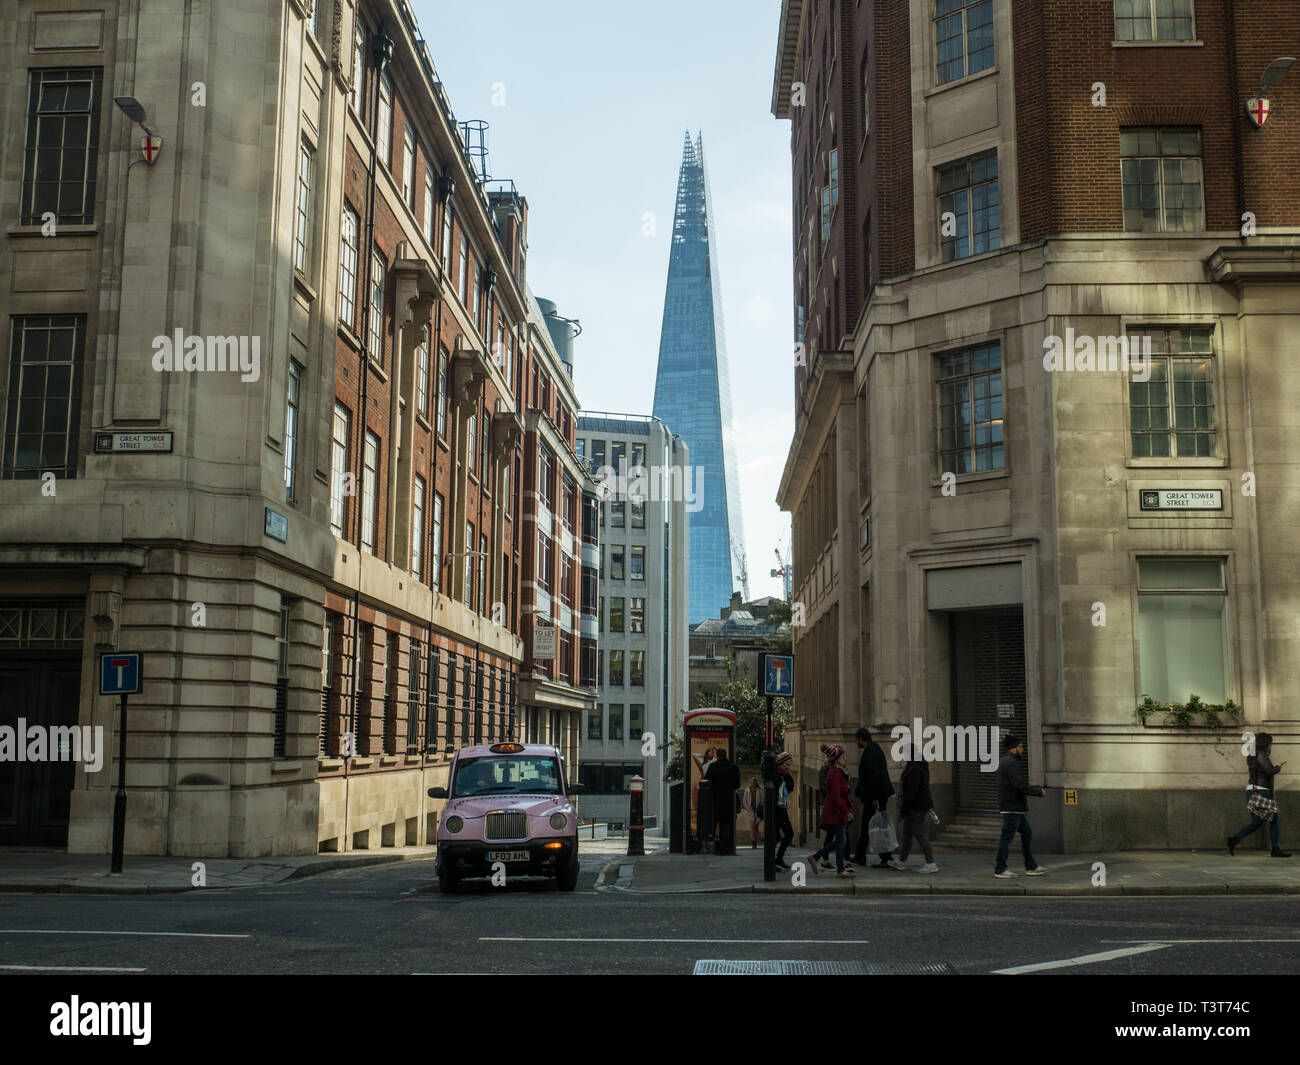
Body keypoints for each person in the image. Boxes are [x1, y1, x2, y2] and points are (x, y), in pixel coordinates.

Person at [994, 733, 1047, 878]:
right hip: (1012, 808)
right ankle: (1000, 869)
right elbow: (1019, 785)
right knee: (1007, 838)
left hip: (1014, 807)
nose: (1022, 750)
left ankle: (1031, 866)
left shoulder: (1007, 762)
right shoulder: (1010, 763)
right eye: (1020, 747)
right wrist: (1038, 792)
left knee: (1027, 833)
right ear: (1013, 748)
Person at [1228, 732, 1290, 857]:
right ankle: (1275, 849)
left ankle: (1234, 840)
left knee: (1258, 822)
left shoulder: (1252, 755)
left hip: (1253, 790)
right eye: (1270, 743)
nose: (1270, 746)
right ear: (1265, 743)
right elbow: (1268, 771)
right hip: (1262, 791)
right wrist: (1278, 767)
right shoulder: (1261, 754)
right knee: (1274, 819)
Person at [806, 746, 855, 878]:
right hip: (836, 813)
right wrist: (846, 812)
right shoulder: (834, 774)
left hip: (837, 812)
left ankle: (817, 858)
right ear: (837, 759)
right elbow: (835, 796)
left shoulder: (838, 772)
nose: (845, 759)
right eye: (843, 757)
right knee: (841, 841)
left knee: (840, 841)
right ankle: (838, 869)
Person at [888, 745, 938, 873]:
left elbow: (911, 791)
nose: (903, 756)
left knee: (919, 833)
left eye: (905, 753)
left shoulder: (915, 768)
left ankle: (931, 862)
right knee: (907, 834)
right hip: (915, 805)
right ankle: (901, 861)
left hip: (916, 806)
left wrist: (905, 808)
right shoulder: (916, 765)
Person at [852, 727, 896, 868]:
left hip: (875, 797)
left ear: (861, 739)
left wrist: (874, 798)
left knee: (870, 825)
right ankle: (874, 856)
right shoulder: (874, 748)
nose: (856, 742)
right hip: (876, 796)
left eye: (856, 739)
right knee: (876, 825)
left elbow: (873, 777)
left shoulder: (870, 751)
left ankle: (879, 857)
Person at [704, 747, 741, 855]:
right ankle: (728, 848)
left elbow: (707, 781)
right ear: (726, 755)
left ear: (717, 756)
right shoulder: (734, 767)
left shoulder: (713, 766)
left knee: (714, 823)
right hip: (729, 800)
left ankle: (716, 848)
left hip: (715, 800)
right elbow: (737, 785)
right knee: (728, 824)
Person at [773, 753, 796, 870]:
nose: (789, 767)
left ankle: (776, 860)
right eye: (787, 764)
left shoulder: (784, 775)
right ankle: (775, 860)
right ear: (780, 763)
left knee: (778, 836)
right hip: (777, 809)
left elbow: (790, 787)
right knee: (787, 834)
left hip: (780, 808)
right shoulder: (776, 776)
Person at [742, 778, 762, 848]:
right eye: (751, 782)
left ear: (756, 783)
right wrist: (748, 808)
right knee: (752, 825)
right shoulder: (747, 790)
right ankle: (752, 840)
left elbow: (761, 800)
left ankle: (755, 841)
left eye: (754, 782)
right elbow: (744, 801)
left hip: (757, 810)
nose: (752, 783)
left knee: (756, 826)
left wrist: (760, 808)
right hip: (750, 810)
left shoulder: (759, 790)